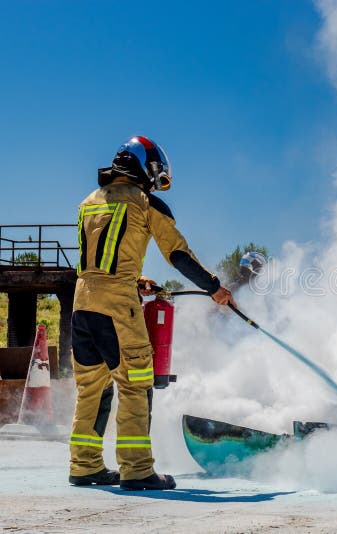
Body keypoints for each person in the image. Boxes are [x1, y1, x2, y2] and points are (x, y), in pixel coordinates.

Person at [68, 135, 235, 490]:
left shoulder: (89, 202)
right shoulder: (146, 203)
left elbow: (99, 261)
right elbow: (178, 254)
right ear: (145, 168)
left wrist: (135, 278)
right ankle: (138, 470)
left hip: (82, 303)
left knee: (91, 390)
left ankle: (84, 467)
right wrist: (213, 287)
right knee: (135, 384)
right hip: (117, 307)